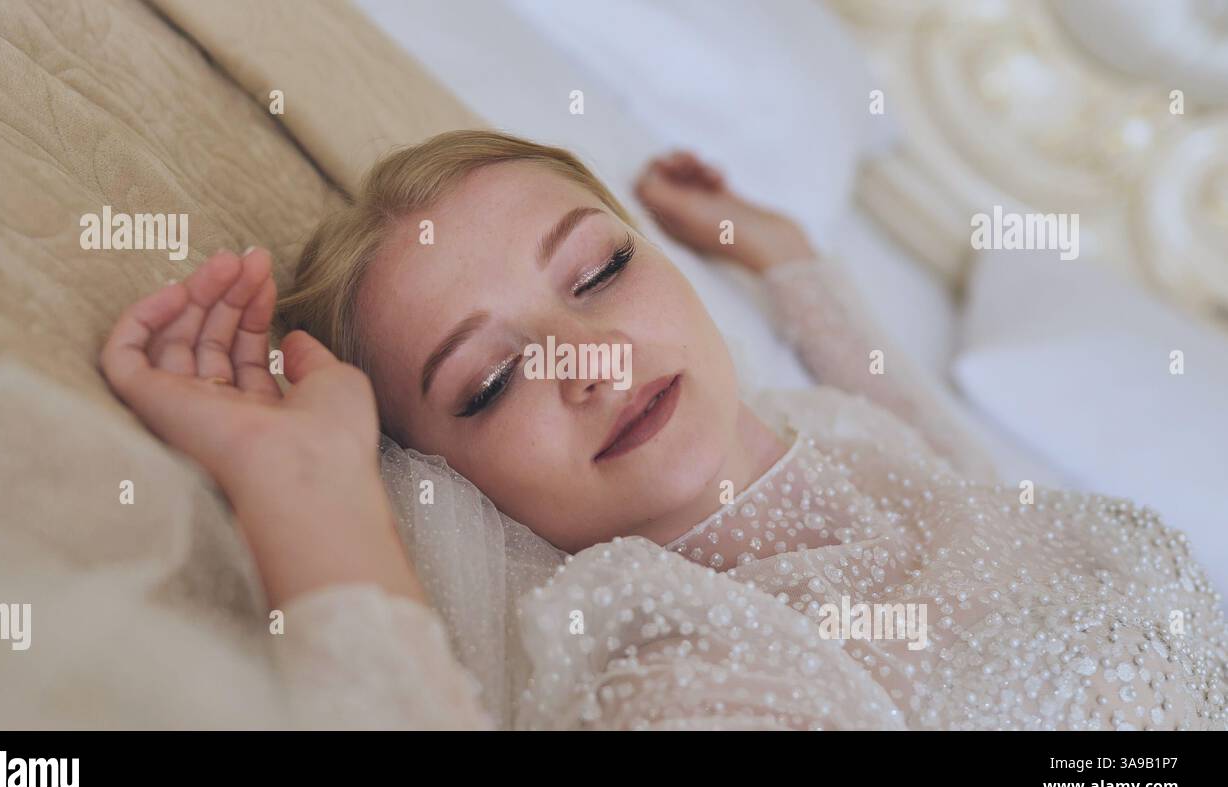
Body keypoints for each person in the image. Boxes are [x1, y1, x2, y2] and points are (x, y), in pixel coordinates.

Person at [101, 130, 1228, 730]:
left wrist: (785, 255)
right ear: (447, 480)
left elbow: (934, 445)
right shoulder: (664, 651)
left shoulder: (831, 433)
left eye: (599, 269)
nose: (587, 361)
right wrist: (307, 487)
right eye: (490, 382)